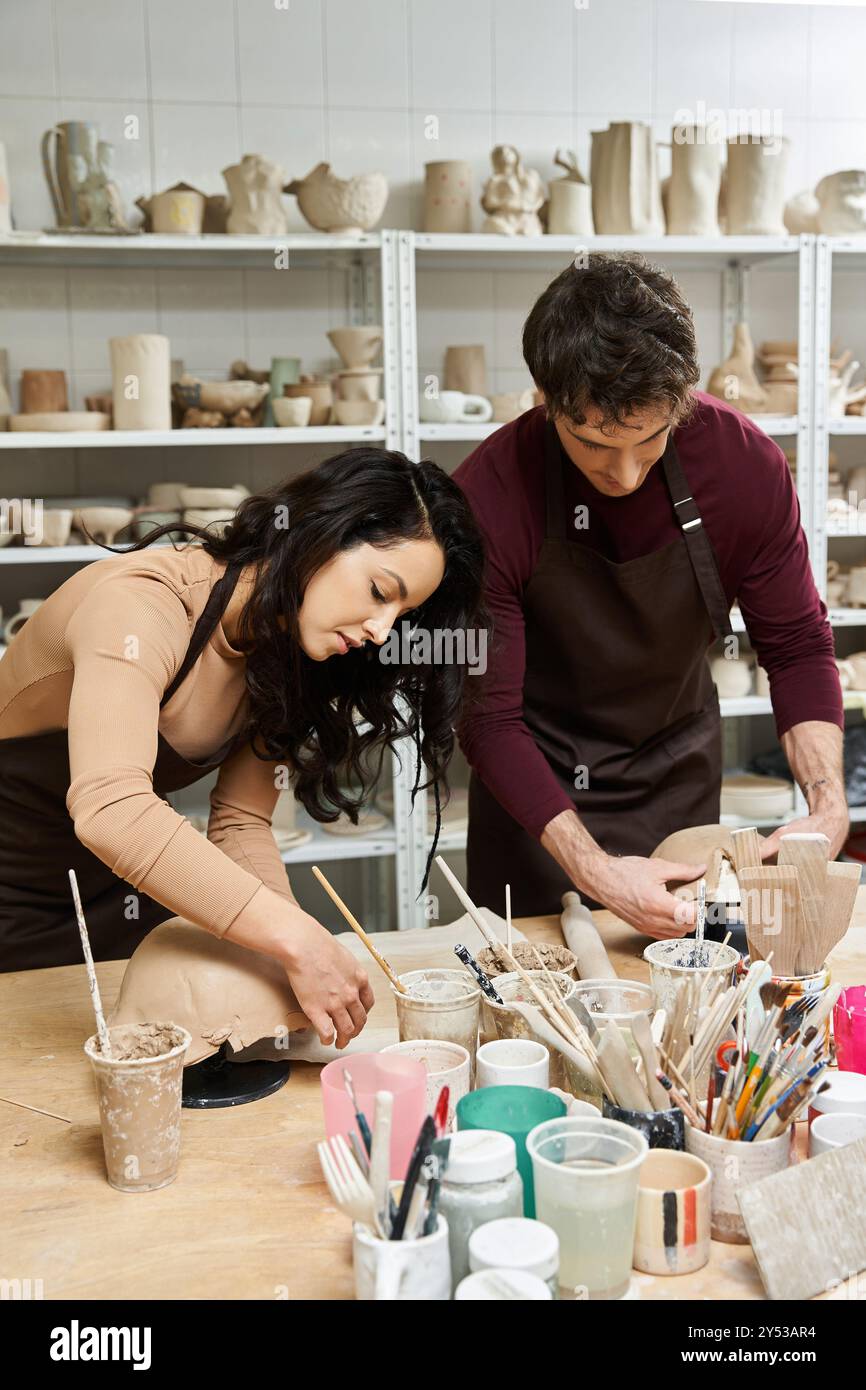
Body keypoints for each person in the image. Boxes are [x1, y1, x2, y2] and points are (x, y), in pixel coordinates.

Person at [0, 448, 486, 1050]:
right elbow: (113, 809)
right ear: (320, 533)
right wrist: (296, 938)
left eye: (402, 614)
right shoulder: (144, 604)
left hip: (129, 888)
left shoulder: (285, 653)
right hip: (12, 895)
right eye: (380, 591)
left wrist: (285, 953)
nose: (381, 631)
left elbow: (241, 821)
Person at [454, 254, 847, 938]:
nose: (627, 472)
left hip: (677, 786)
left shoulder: (744, 467)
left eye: (652, 437)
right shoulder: (489, 494)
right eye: (596, 445)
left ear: (683, 400)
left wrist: (828, 803)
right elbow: (488, 721)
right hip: (536, 803)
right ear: (544, 402)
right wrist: (598, 873)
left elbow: (797, 646)